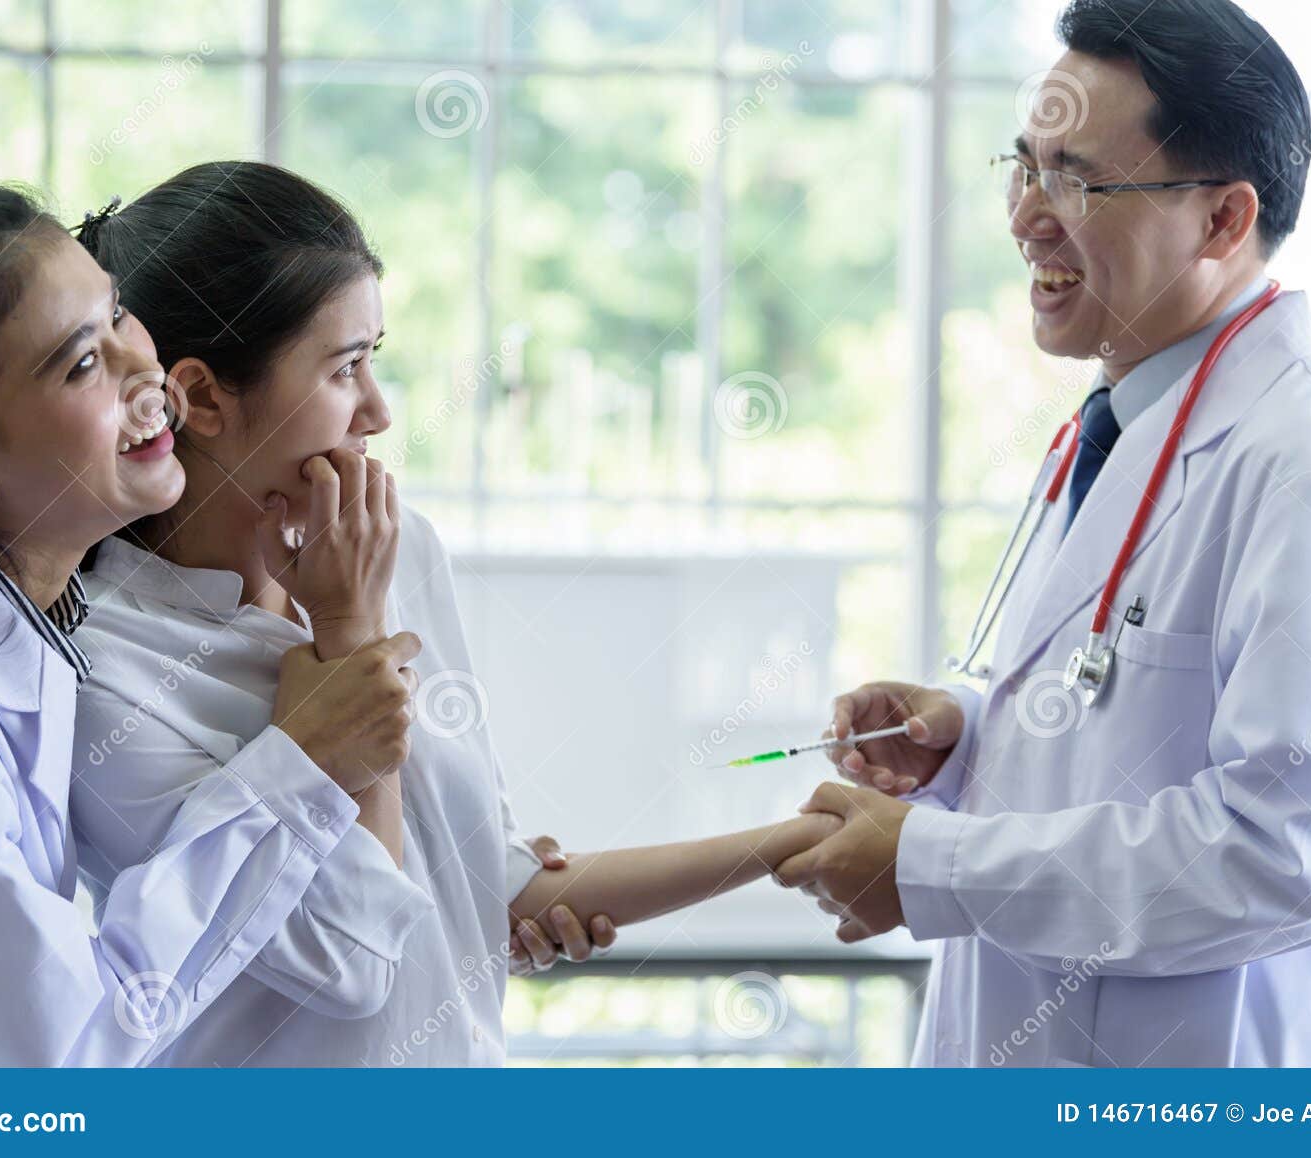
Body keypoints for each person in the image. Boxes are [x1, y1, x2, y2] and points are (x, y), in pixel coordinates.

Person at [69, 161, 841, 1065]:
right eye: (346, 368)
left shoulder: (399, 552)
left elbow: (504, 889)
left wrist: (797, 842)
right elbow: (349, 959)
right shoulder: (103, 666)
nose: (379, 412)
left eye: (376, 360)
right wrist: (348, 630)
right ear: (199, 398)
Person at [778, 0, 1311, 1066]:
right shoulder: (1119, 421)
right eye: (1022, 167)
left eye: (1075, 179)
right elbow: (1138, 719)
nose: (1025, 214)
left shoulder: (1308, 460)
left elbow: (1289, 850)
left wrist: (937, 867)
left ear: (1220, 220)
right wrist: (970, 730)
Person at [0, 186, 418, 1064]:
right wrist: (300, 765)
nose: (146, 371)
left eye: (119, 313)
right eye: (80, 363)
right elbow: (73, 1047)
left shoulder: (11, 611)